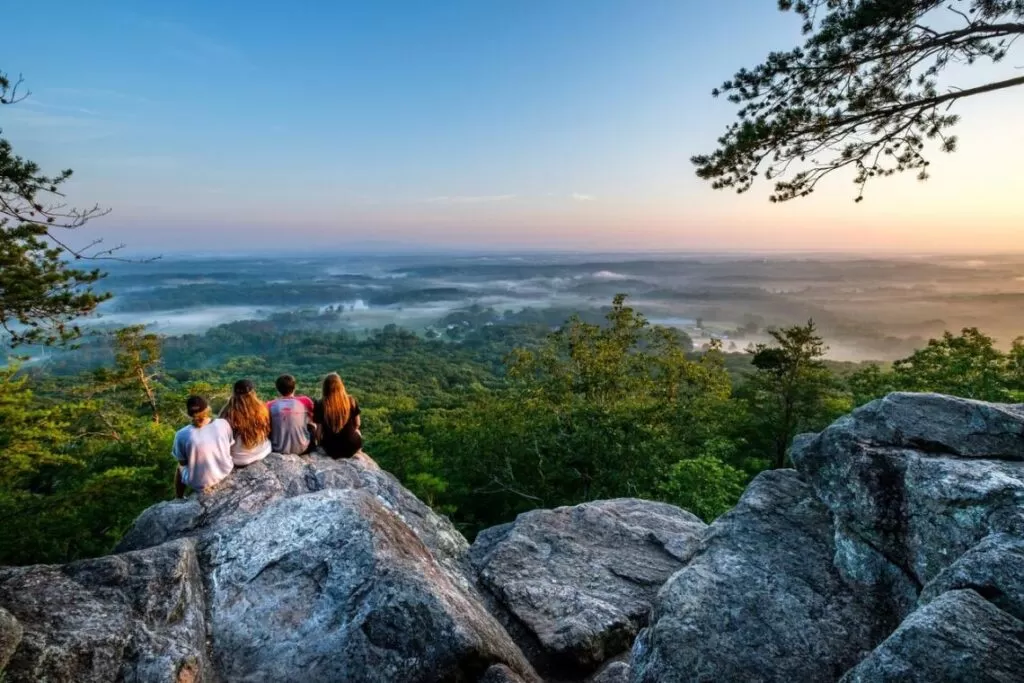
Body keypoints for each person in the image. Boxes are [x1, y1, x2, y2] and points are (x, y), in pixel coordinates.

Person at [172, 395, 234, 498]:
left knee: (179, 468)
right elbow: (229, 447)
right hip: (225, 471)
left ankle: (179, 497)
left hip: (199, 483)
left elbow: (183, 462)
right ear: (207, 409)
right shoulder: (223, 423)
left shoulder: (181, 435)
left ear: (188, 413)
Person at [220, 379, 272, 467]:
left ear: (234, 393)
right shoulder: (262, 408)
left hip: (240, 458)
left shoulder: (227, 413)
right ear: (253, 392)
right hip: (264, 451)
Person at [314, 372, 363, 459]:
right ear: (341, 386)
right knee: (358, 432)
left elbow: (319, 431)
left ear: (325, 387)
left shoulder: (320, 404)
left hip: (331, 449)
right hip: (351, 446)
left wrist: (319, 444)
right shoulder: (351, 401)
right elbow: (357, 424)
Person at [267, 374, 315, 455]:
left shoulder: (269, 405)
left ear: (277, 389)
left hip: (277, 448)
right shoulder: (305, 401)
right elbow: (313, 419)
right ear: (294, 388)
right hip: (303, 448)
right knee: (311, 426)